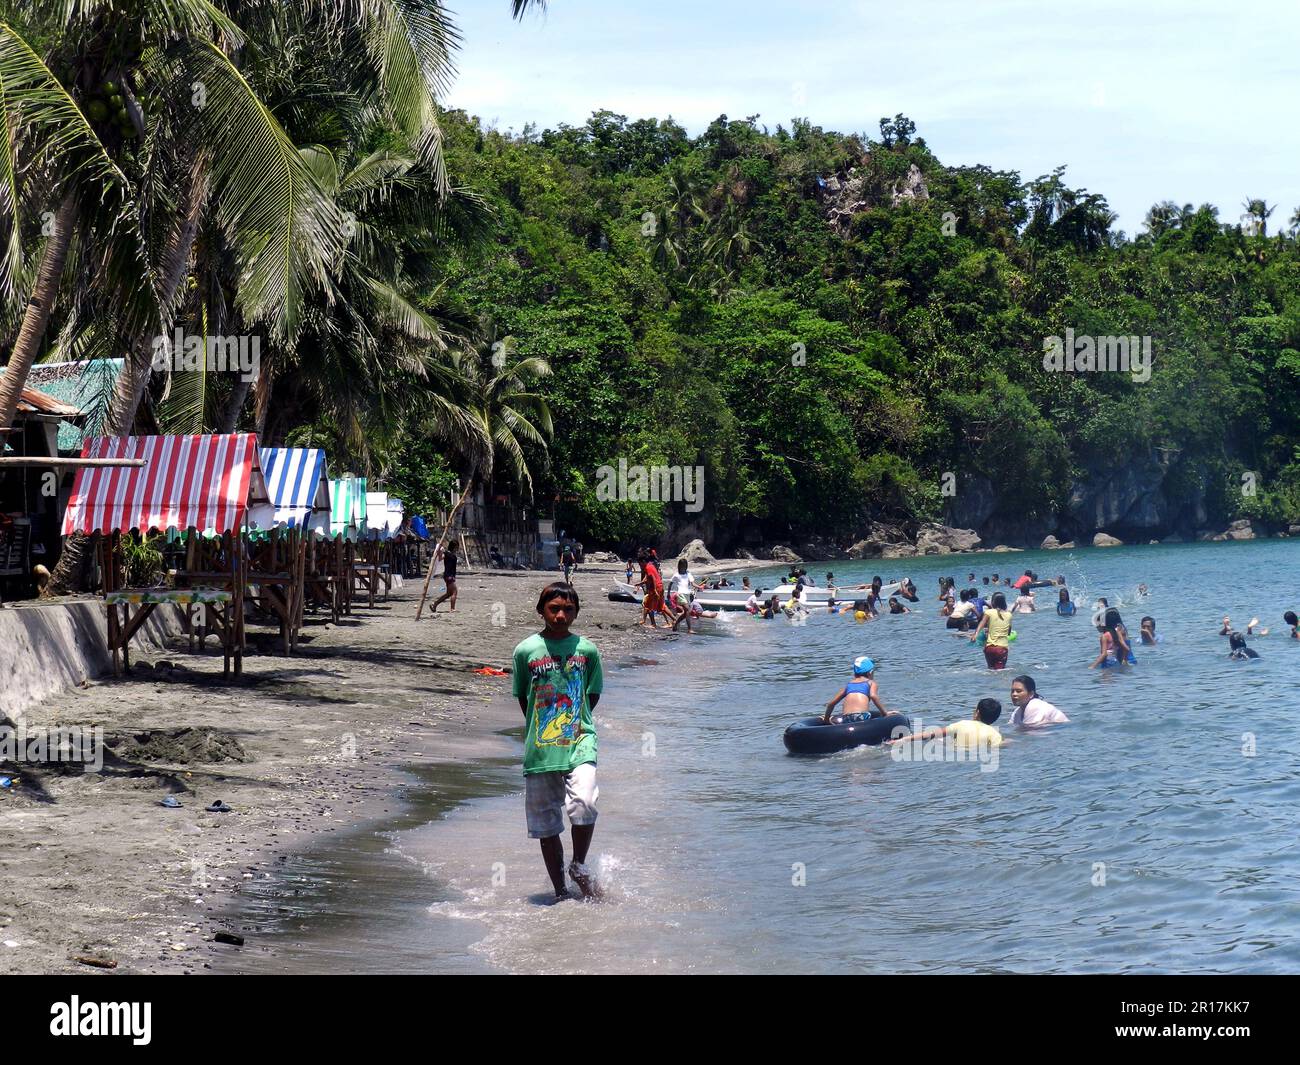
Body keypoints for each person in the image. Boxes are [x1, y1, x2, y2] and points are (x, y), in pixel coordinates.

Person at [512, 582, 604, 901]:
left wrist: (573, 724)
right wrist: (544, 728)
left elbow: (591, 696)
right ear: (541, 611)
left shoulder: (587, 650)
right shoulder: (525, 651)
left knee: (585, 804)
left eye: (568, 609)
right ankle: (561, 891)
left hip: (580, 741)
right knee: (547, 824)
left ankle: (578, 865)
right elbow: (524, 698)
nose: (561, 615)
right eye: (554, 609)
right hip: (540, 749)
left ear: (576, 612)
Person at [889, 698, 1007, 749]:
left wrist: (902, 740)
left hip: (955, 750)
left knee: (938, 740)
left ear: (977, 712)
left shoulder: (962, 724)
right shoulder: (995, 734)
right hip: (975, 753)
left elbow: (930, 734)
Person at [823, 656, 893, 721]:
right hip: (861, 716)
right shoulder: (871, 683)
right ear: (870, 673)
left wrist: (826, 720)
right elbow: (873, 696)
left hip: (846, 717)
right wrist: (885, 713)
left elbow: (831, 704)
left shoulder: (848, 685)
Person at [970, 592, 1013, 670]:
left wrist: (975, 634)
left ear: (993, 602)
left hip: (989, 648)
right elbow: (1009, 632)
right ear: (1004, 602)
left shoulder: (988, 612)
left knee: (990, 670)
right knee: (1000, 672)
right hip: (1001, 648)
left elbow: (982, 623)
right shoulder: (1009, 614)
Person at [668, 558, 702, 633]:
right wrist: (668, 594)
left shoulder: (688, 574)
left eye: (685, 566)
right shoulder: (676, 575)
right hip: (680, 594)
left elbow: (693, 583)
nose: (683, 567)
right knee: (687, 609)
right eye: (682, 566)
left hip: (687, 594)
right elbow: (670, 584)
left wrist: (699, 587)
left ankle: (676, 623)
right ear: (679, 566)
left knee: (687, 612)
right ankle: (689, 629)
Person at [638, 552, 667, 627]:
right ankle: (672, 620)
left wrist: (654, 590)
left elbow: (652, 579)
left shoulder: (647, 567)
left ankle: (652, 623)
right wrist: (640, 584)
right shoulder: (651, 566)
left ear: (643, 561)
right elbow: (648, 578)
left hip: (655, 588)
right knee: (660, 607)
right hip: (659, 586)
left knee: (648, 606)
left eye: (639, 564)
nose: (639, 566)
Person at [429, 542, 459, 612]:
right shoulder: (447, 554)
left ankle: (434, 604)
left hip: (449, 575)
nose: (457, 549)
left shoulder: (450, 554)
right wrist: (439, 549)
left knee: (448, 594)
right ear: (454, 547)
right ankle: (452, 609)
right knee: (454, 592)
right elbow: (440, 558)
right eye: (457, 547)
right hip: (449, 576)